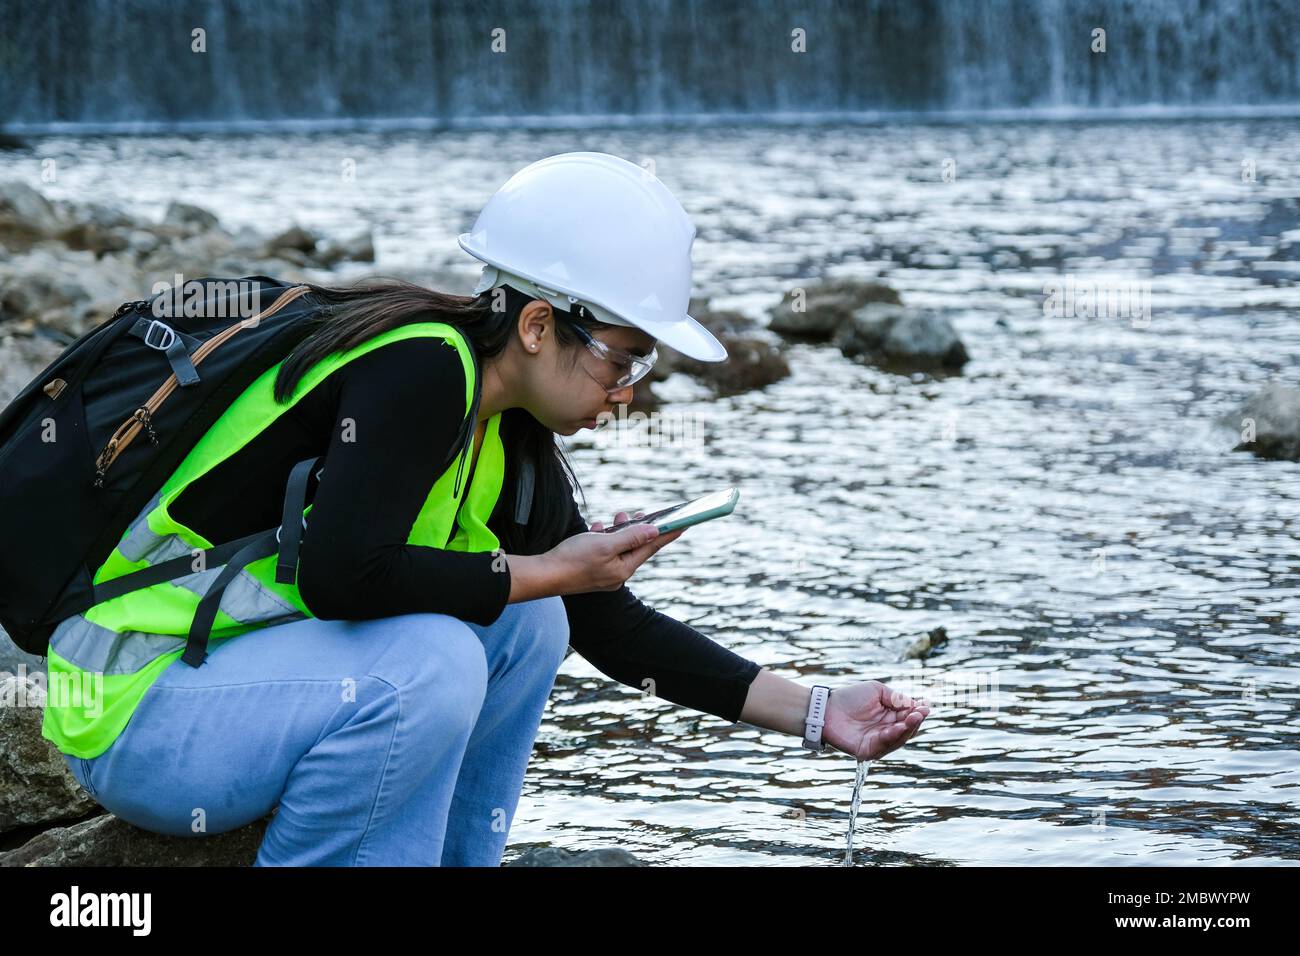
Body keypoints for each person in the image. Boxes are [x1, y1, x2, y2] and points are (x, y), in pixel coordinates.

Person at [46, 151, 929, 866]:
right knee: (432, 658)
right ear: (540, 325)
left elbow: (603, 625)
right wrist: (552, 567)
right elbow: (343, 573)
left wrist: (818, 712)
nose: (626, 391)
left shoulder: (504, 430)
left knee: (533, 624)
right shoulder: (419, 369)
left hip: (233, 691)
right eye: (623, 359)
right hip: (135, 706)